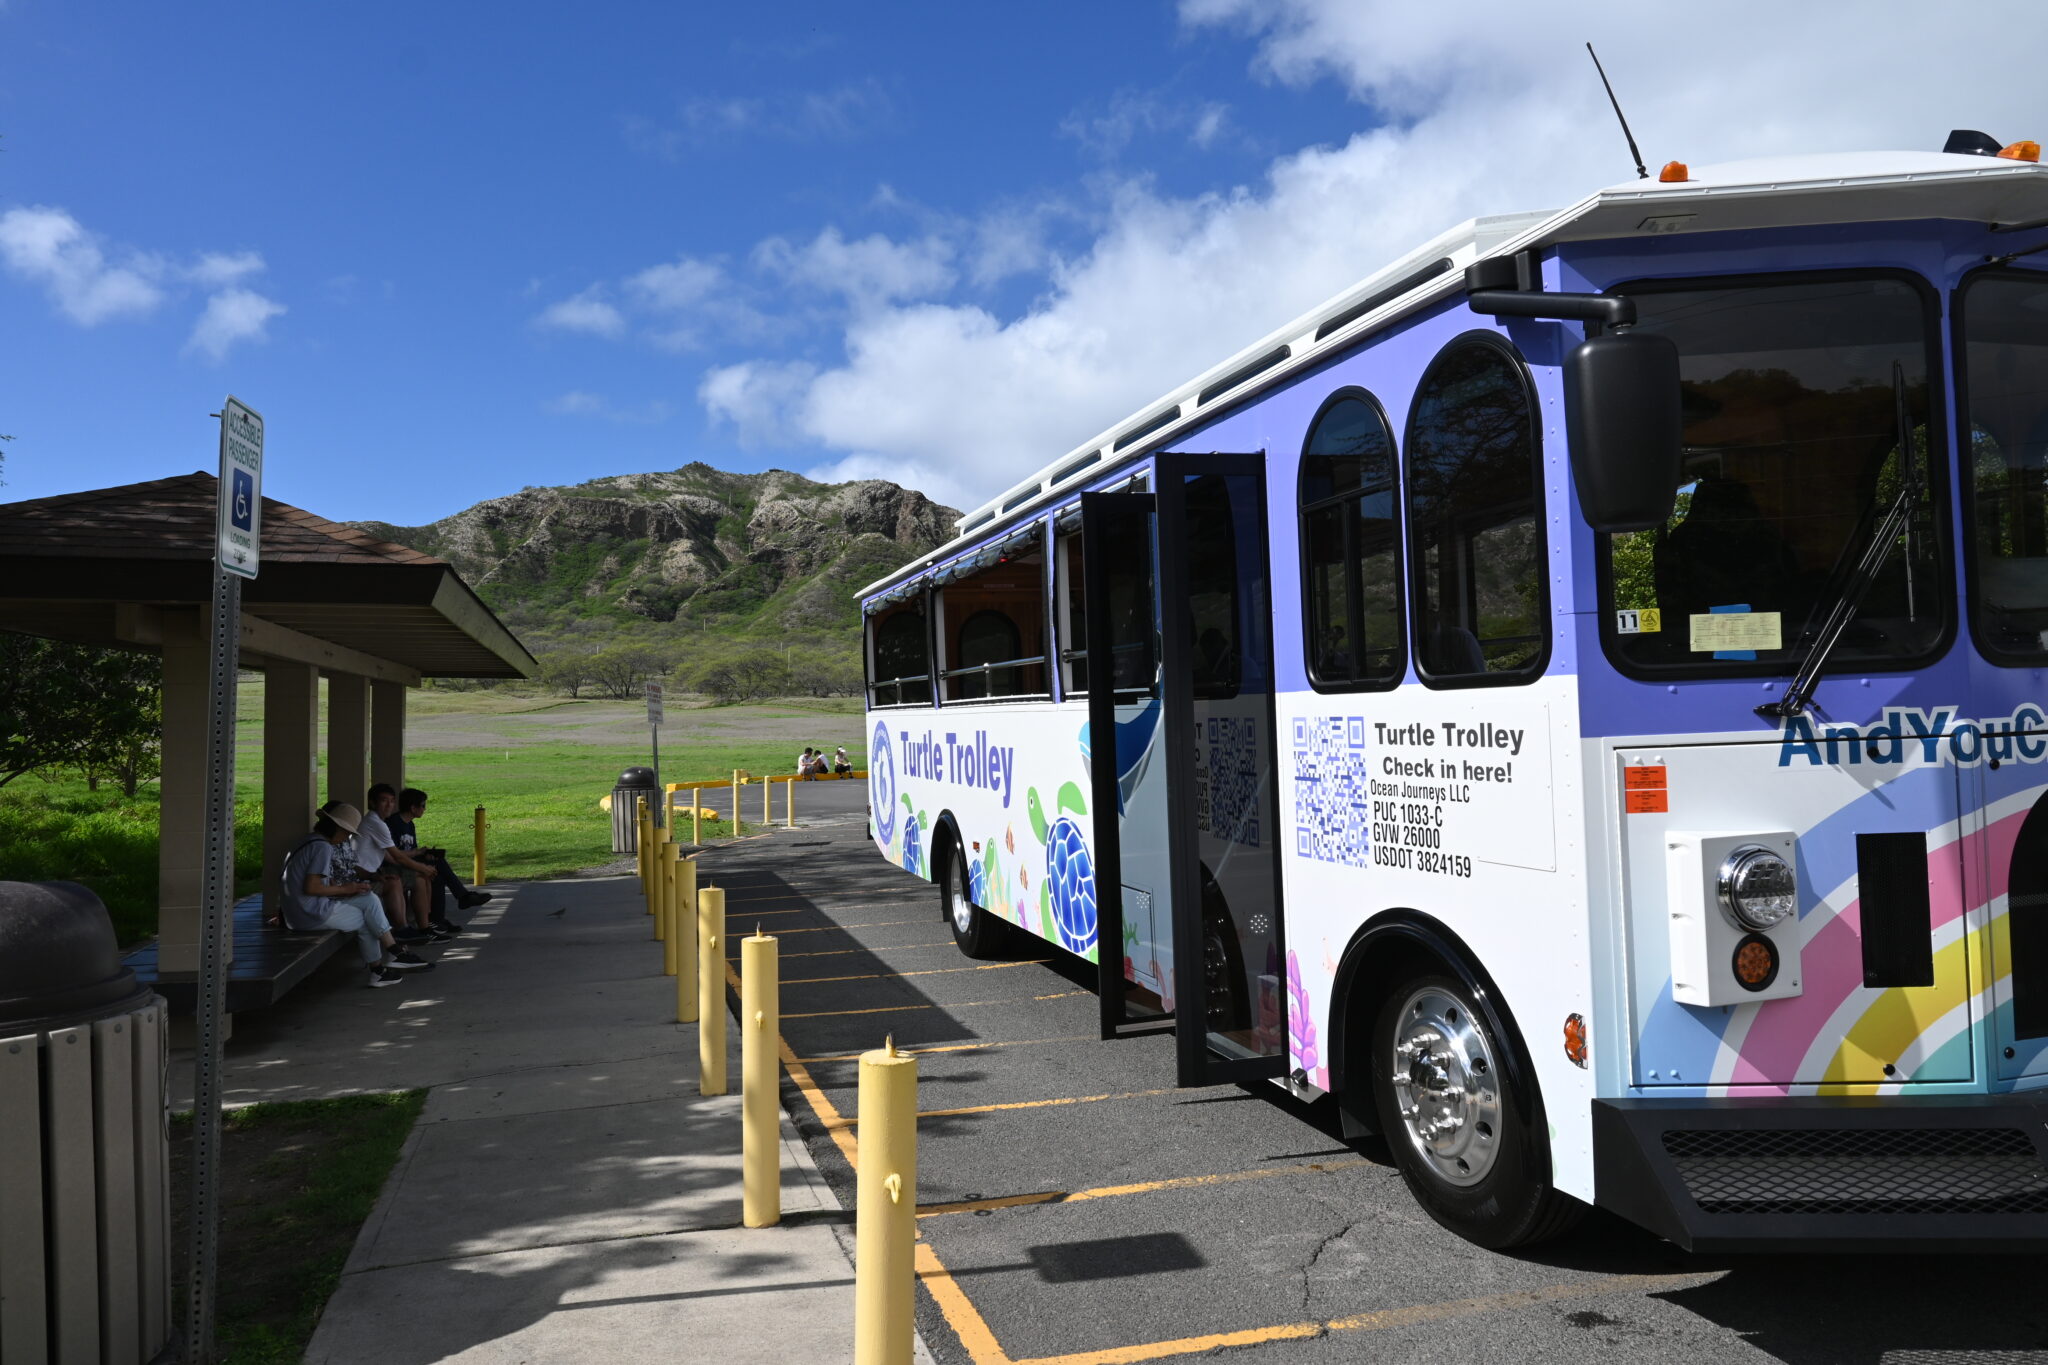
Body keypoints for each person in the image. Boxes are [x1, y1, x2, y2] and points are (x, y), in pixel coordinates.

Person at [281, 803, 435, 987]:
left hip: (295, 912)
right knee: (367, 919)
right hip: (309, 914)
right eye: (347, 832)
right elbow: (312, 887)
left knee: (369, 900)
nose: (348, 837)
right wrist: (347, 889)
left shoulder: (309, 841)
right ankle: (383, 965)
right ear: (336, 828)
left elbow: (319, 882)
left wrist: (351, 887)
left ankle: (390, 959)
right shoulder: (323, 848)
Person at [391, 787, 492, 933]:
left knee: (437, 874)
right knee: (438, 866)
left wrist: (424, 855)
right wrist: (417, 853)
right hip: (395, 865)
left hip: (408, 862)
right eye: (423, 805)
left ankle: (438, 919)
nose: (425, 809)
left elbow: (411, 851)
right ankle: (462, 897)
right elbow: (394, 854)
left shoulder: (410, 824)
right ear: (413, 807)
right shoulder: (393, 824)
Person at [360, 784, 451, 943]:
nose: (389, 805)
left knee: (417, 878)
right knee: (409, 880)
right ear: (372, 803)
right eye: (384, 801)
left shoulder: (377, 822)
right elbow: (398, 857)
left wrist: (419, 868)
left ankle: (422, 927)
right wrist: (422, 867)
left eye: (392, 801)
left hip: (374, 873)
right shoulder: (377, 823)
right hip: (366, 877)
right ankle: (407, 929)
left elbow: (390, 856)